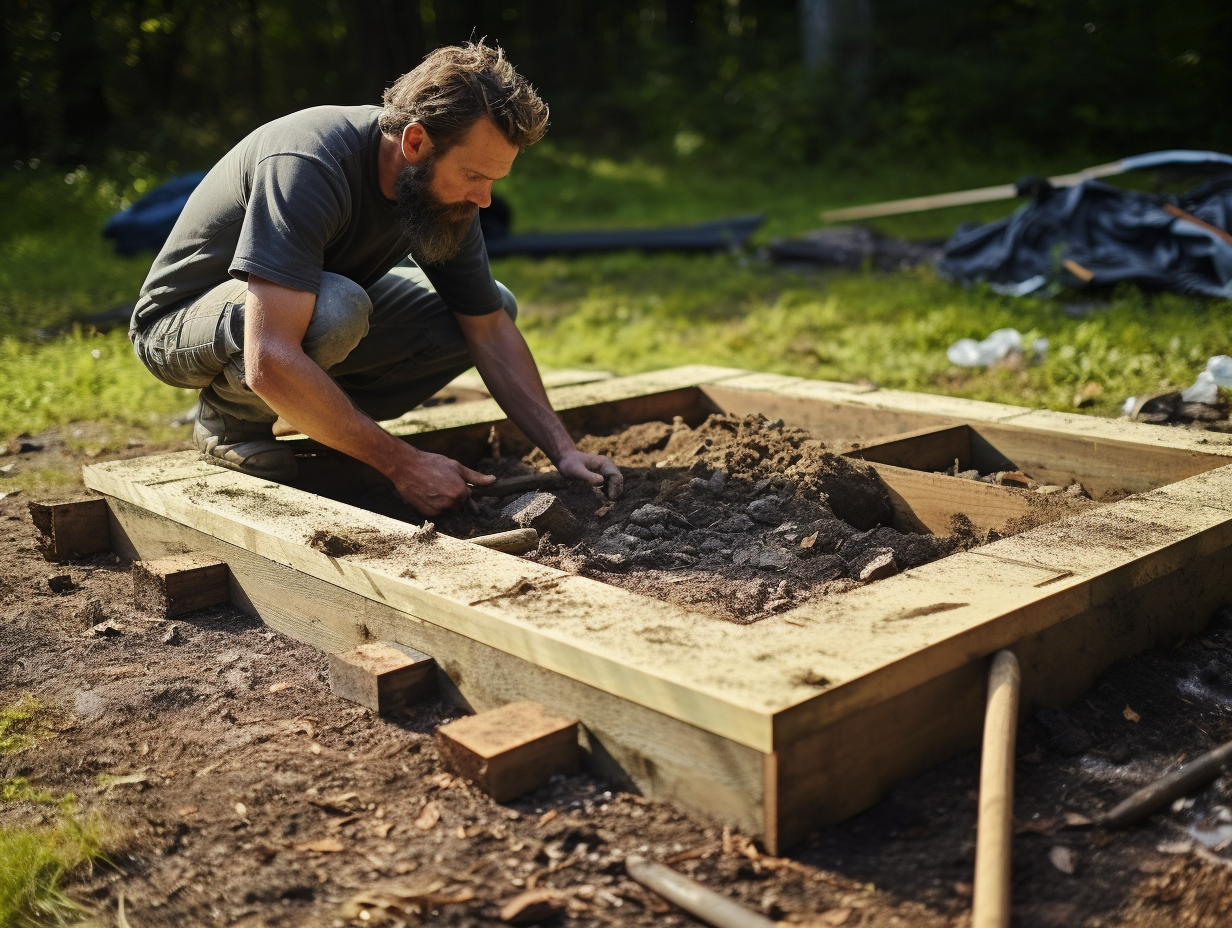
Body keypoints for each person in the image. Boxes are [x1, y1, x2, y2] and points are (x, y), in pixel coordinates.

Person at [128, 42, 621, 517]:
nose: (485, 199)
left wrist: (564, 450)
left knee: (492, 305)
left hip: (299, 316)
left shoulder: (446, 196)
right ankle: (229, 422)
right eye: (474, 175)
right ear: (415, 141)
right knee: (338, 307)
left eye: (494, 180)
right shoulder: (309, 162)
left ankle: (322, 414)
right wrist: (402, 464)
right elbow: (269, 356)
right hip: (181, 326)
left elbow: (487, 327)